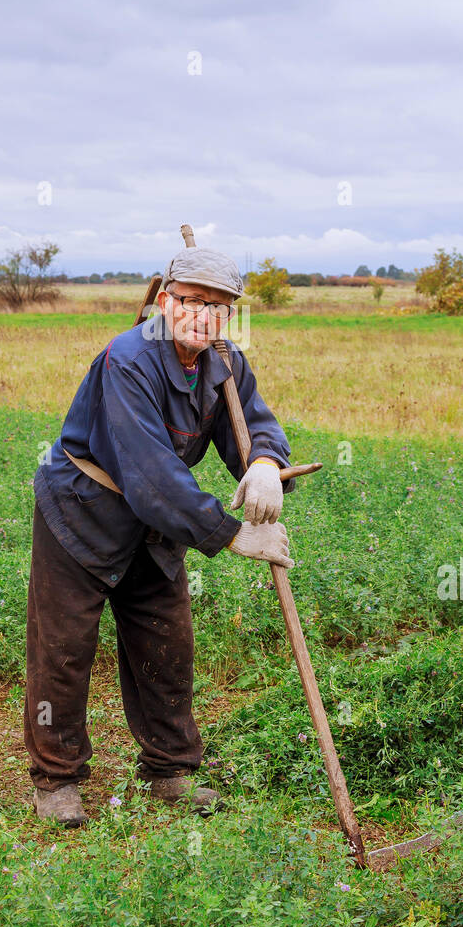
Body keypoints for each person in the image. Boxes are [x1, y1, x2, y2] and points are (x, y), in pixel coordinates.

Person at [24, 245, 294, 827]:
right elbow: (147, 471)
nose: (206, 316)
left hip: (157, 519)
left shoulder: (225, 363)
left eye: (220, 307)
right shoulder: (129, 360)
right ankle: (57, 777)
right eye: (195, 301)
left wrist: (266, 463)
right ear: (165, 301)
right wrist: (230, 534)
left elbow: (253, 422)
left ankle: (168, 768)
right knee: (65, 649)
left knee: (166, 641)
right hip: (85, 509)